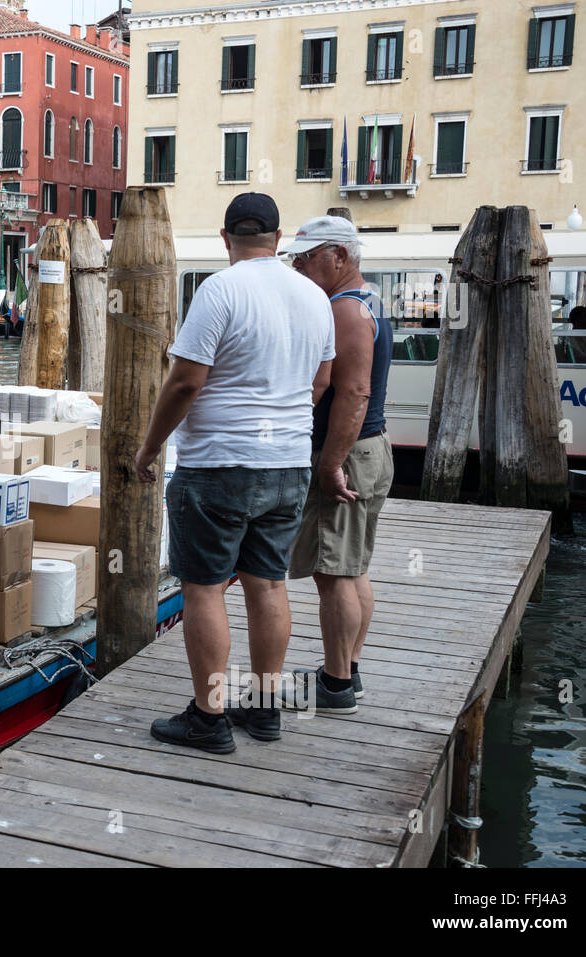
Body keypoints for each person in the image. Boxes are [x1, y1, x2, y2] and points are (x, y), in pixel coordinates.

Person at [134, 194, 335, 753]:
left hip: (219, 465)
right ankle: (265, 710)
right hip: (289, 465)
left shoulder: (219, 290)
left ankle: (209, 717)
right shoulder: (315, 297)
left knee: (203, 591)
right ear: (278, 237)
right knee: (268, 584)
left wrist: (150, 449)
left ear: (227, 238)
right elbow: (319, 384)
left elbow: (184, 383)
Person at [282, 215, 394, 716]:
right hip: (371, 448)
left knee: (334, 574)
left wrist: (330, 464)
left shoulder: (345, 311)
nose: (299, 266)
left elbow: (354, 392)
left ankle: (335, 686)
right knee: (354, 568)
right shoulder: (367, 303)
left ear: (340, 257)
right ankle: (348, 669)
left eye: (307, 258)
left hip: (348, 451)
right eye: (295, 259)